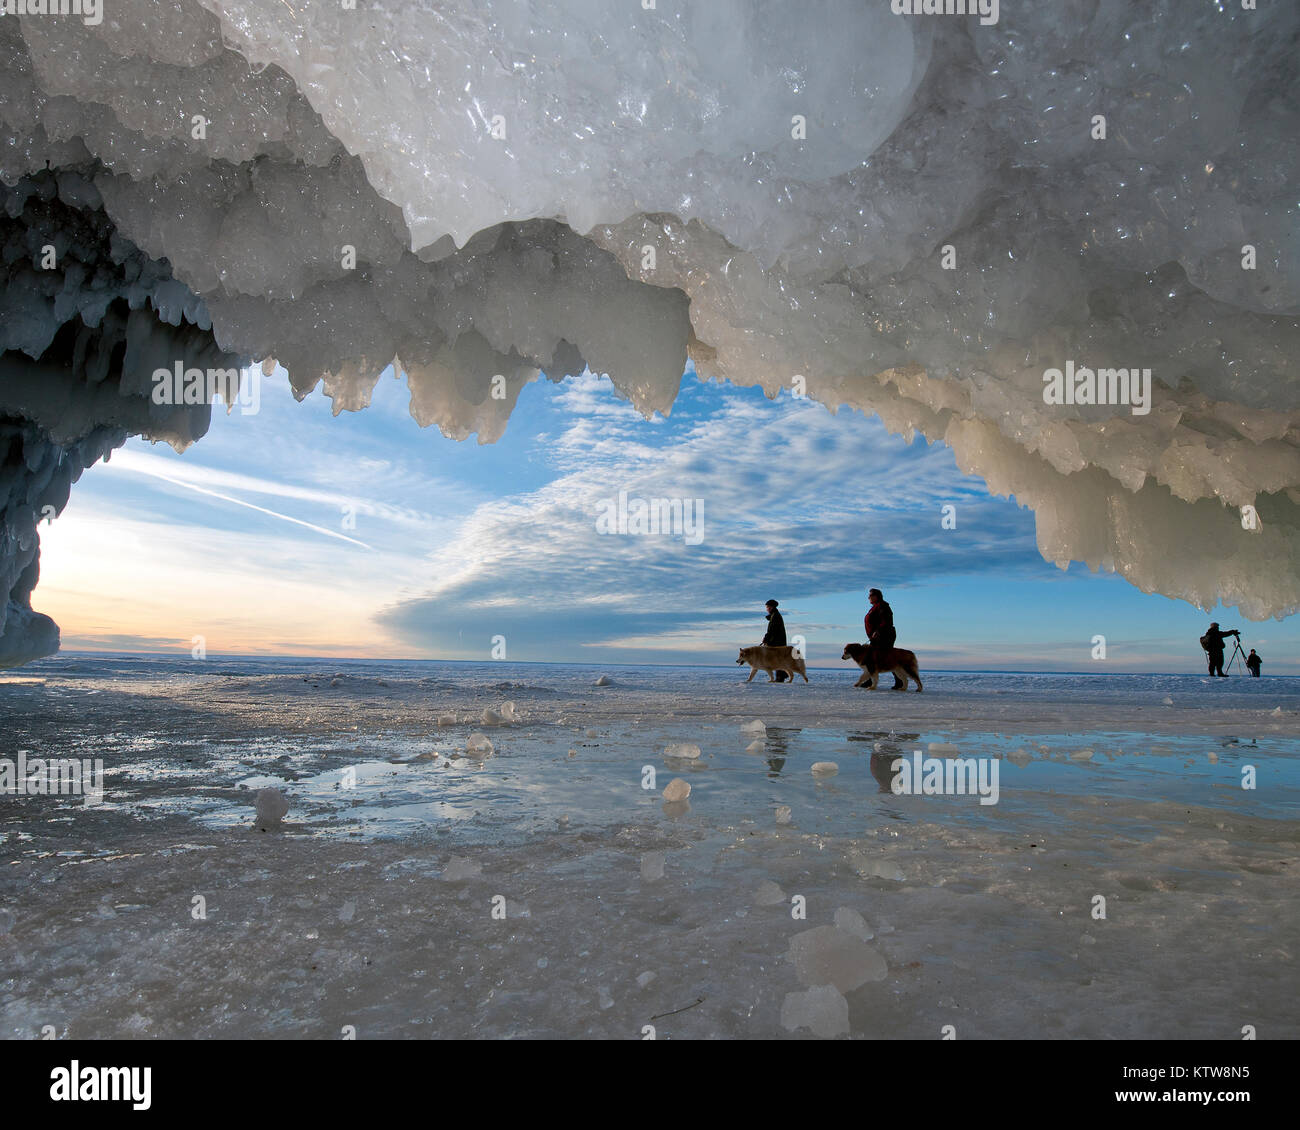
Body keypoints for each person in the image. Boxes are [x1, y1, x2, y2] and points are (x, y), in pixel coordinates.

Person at [865, 588, 902, 689]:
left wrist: (878, 631)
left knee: (885, 658)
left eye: (870, 595)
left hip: (884, 637)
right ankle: (870, 680)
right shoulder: (876, 607)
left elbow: (886, 621)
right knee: (874, 658)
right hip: (877, 637)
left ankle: (899, 681)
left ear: (876, 596)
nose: (868, 598)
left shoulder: (883, 606)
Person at [763, 599, 788, 681]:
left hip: (777, 642)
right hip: (777, 641)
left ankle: (781, 676)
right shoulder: (775, 615)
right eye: (766, 607)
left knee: (777, 659)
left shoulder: (775, 616)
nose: (766, 609)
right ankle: (781, 676)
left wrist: (766, 638)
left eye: (767, 607)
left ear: (771, 607)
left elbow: (772, 630)